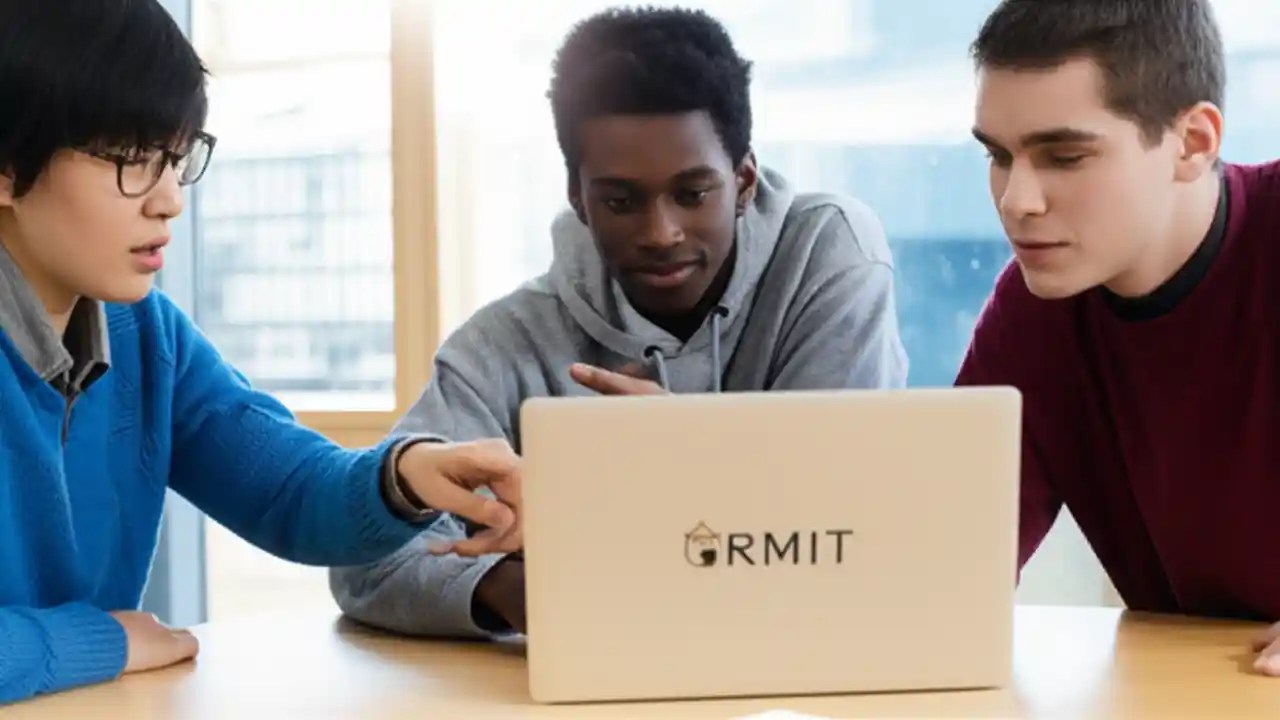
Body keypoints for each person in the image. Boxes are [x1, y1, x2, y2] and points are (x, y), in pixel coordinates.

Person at [0, 0, 521, 705]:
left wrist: (406, 475)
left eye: (176, 158)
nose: (168, 201)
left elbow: (289, 491)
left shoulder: (145, 332)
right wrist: (106, 640)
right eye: (128, 160)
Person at [330, 6, 908, 639]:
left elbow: (842, 525)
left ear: (743, 180)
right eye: (620, 201)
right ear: (578, 195)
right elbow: (364, 557)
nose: (661, 233)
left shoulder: (829, 255)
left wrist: (696, 456)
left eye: (693, 193)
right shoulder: (505, 344)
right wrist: (531, 593)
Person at [957, 0, 1280, 676]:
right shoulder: (1035, 310)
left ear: (1192, 142)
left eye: (1065, 156)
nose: (1017, 200)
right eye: (998, 156)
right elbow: (943, 570)